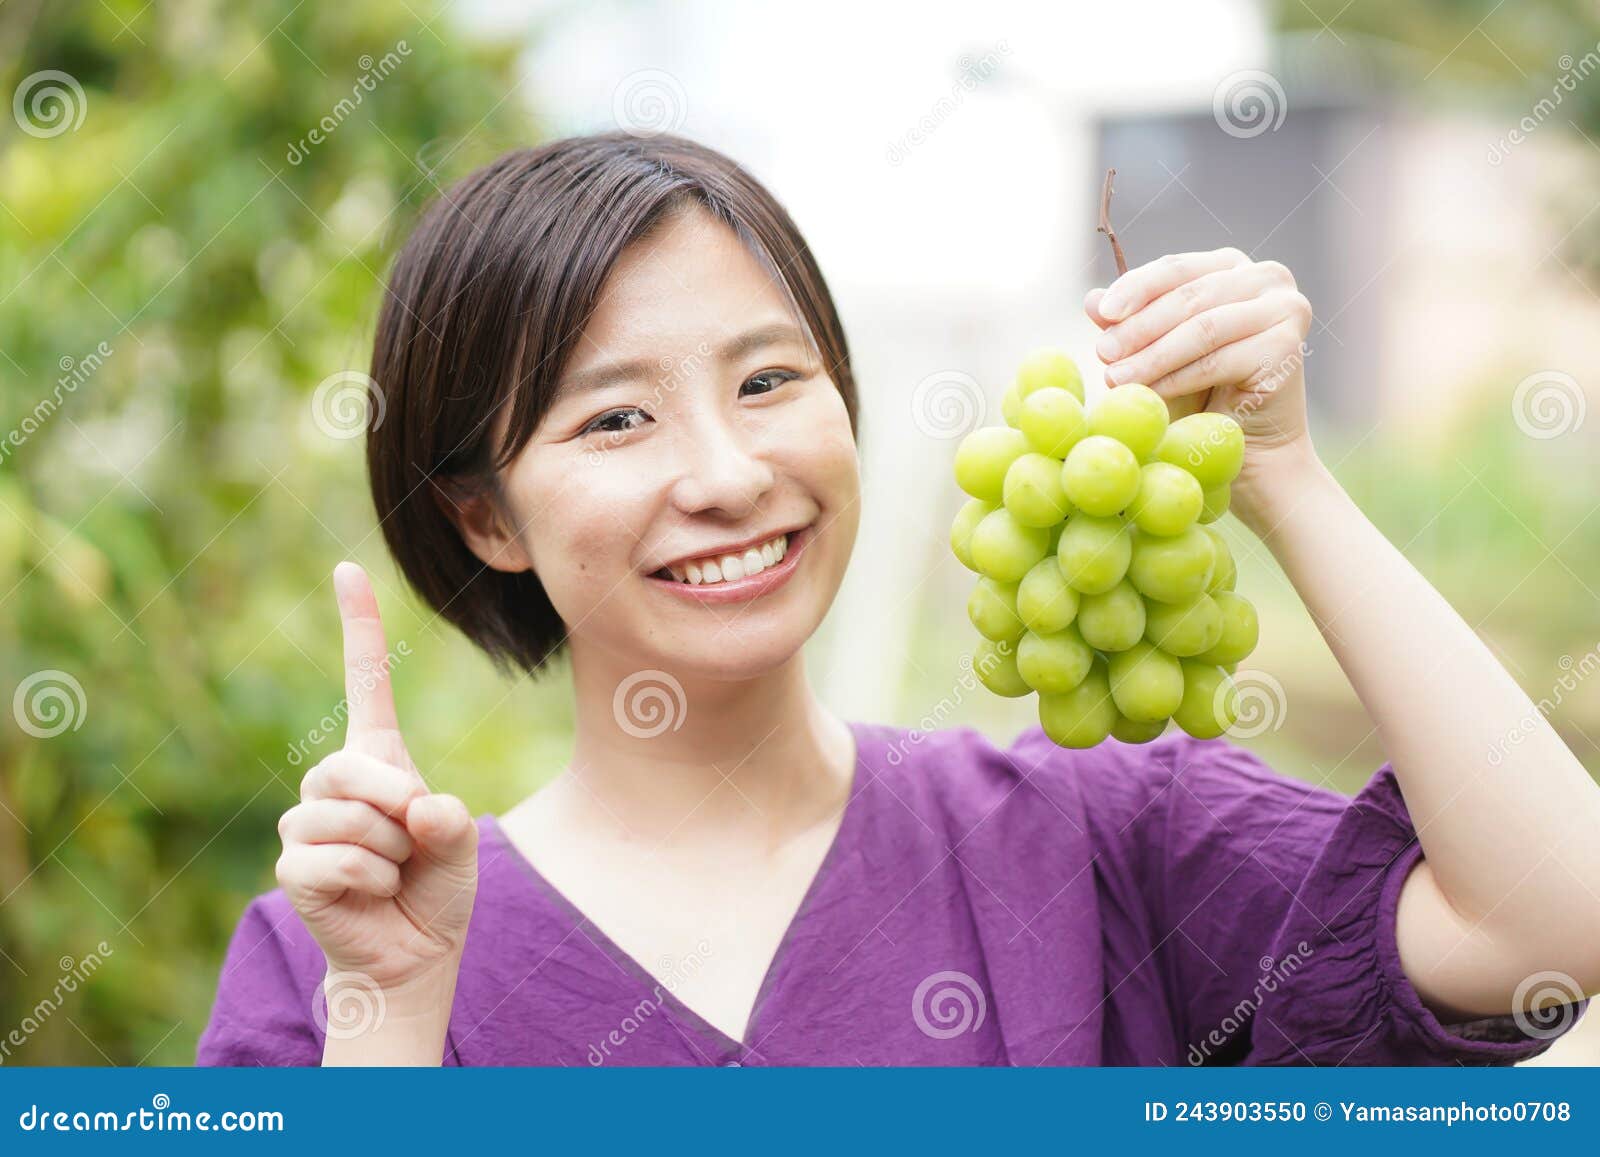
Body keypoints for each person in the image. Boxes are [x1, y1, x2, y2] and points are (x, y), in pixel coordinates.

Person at [198, 132, 1596, 1066]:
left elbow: (1554, 926)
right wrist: (389, 1007)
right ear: (485, 514)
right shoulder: (339, 950)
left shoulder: (1104, 829)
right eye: (617, 420)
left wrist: (1285, 478)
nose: (730, 470)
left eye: (769, 380)